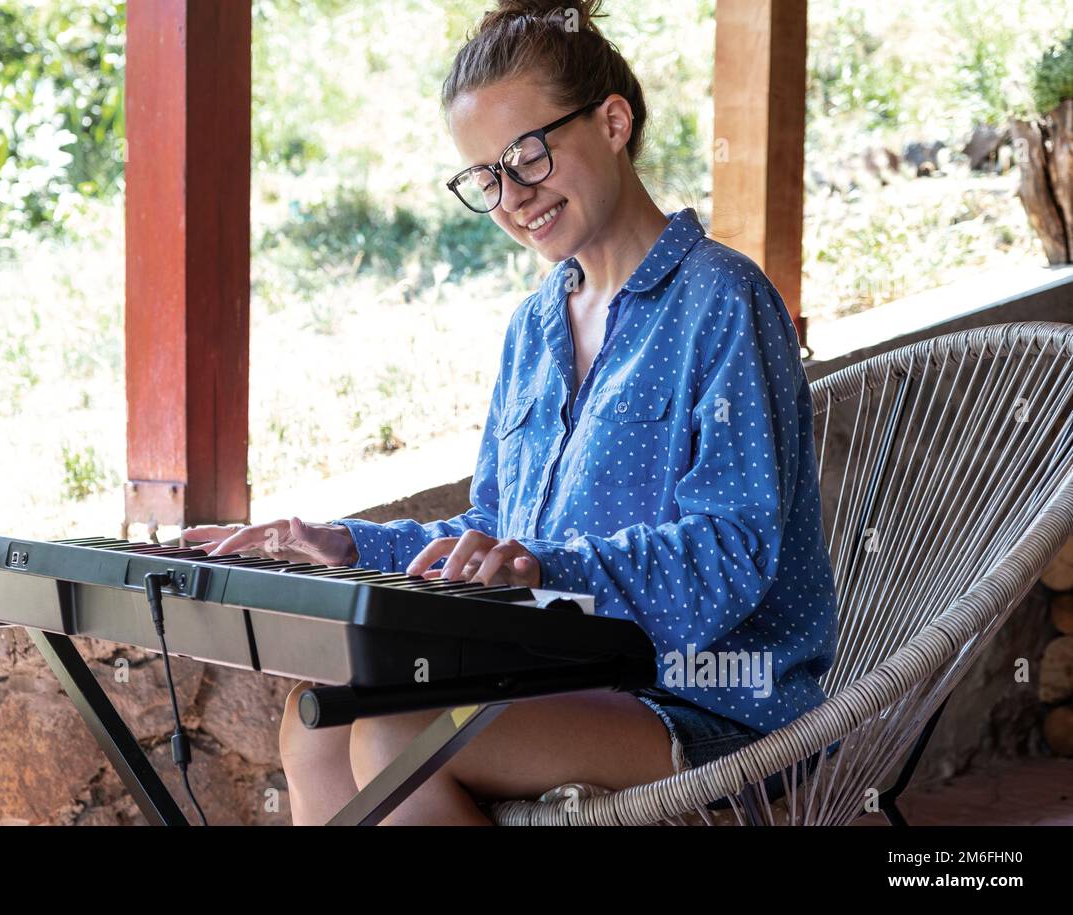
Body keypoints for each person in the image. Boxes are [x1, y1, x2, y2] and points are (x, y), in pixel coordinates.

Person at [184, 0, 838, 826]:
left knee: (394, 739)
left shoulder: (723, 299)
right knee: (317, 723)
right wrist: (351, 543)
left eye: (528, 155)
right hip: (557, 684)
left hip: (718, 705)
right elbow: (496, 528)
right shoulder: (534, 328)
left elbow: (733, 548)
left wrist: (546, 569)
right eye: (487, 177)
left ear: (612, 121)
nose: (512, 197)